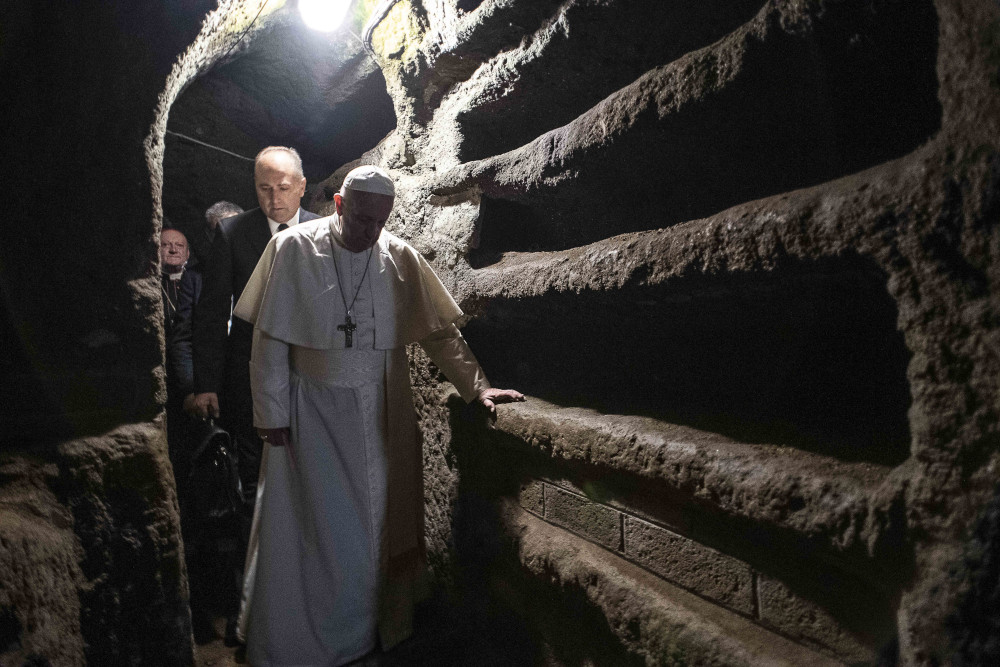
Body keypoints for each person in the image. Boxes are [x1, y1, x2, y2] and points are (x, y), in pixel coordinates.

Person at [232, 165, 523, 665]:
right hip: (310, 413)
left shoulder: (398, 257)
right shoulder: (293, 248)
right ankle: (295, 643)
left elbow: (438, 333)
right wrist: (271, 412)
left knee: (373, 526)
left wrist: (478, 387)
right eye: (362, 219)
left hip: (379, 411)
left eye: (380, 222)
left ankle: (366, 631)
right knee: (307, 526)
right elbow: (270, 338)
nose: (371, 232)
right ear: (340, 206)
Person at [189, 146, 320, 641]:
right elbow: (210, 315)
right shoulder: (232, 234)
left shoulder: (321, 231)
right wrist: (205, 384)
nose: (275, 197)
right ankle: (253, 605)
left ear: (302, 187)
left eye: (284, 186)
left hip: (309, 380)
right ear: (254, 188)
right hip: (246, 384)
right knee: (251, 486)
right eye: (265, 187)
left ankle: (303, 594)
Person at [191, 200, 244, 268]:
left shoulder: (260, 264)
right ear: (209, 235)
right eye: (220, 232)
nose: (229, 237)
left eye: (233, 230)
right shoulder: (197, 274)